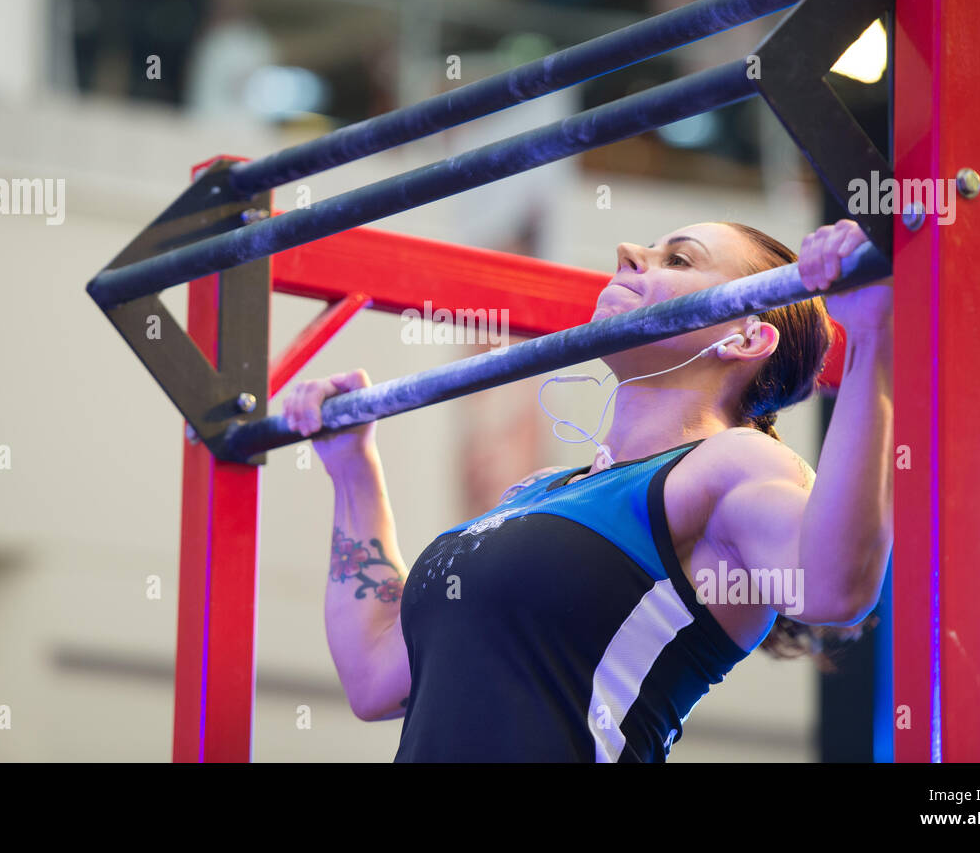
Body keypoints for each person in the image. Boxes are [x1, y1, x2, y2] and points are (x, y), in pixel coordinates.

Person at [283, 218, 893, 762]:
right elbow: (374, 674)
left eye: (677, 259)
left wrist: (873, 339)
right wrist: (351, 465)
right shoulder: (536, 492)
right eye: (647, 248)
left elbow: (836, 585)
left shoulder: (733, 463)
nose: (628, 250)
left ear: (744, 339)